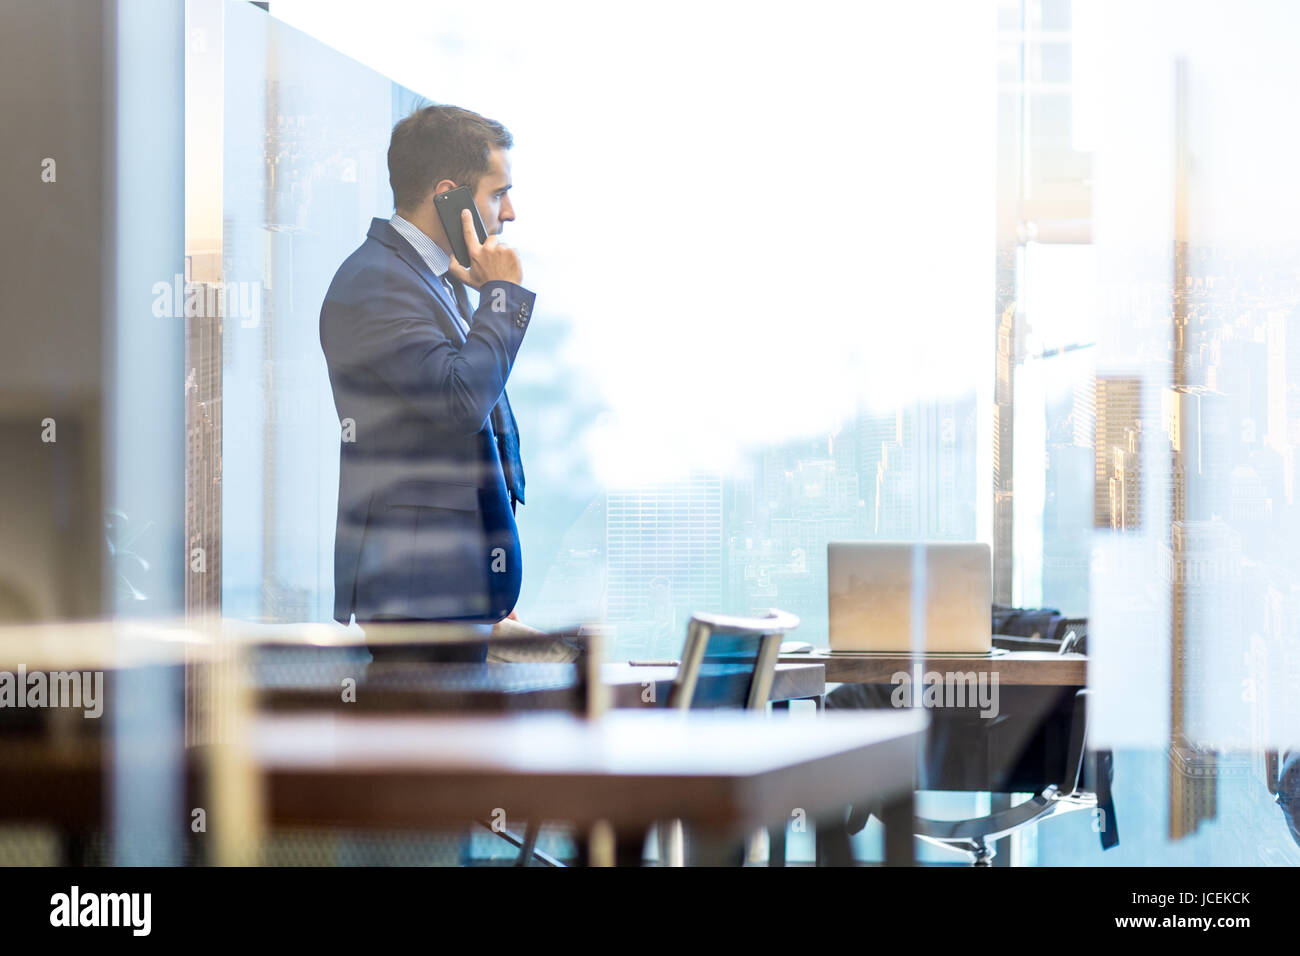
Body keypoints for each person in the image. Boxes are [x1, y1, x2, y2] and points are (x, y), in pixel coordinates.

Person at [320, 104, 546, 663]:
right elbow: (460, 402)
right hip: (420, 595)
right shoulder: (377, 282)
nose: (510, 213)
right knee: (436, 748)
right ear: (451, 195)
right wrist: (502, 297)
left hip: (450, 591)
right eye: (499, 194)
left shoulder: (429, 278)